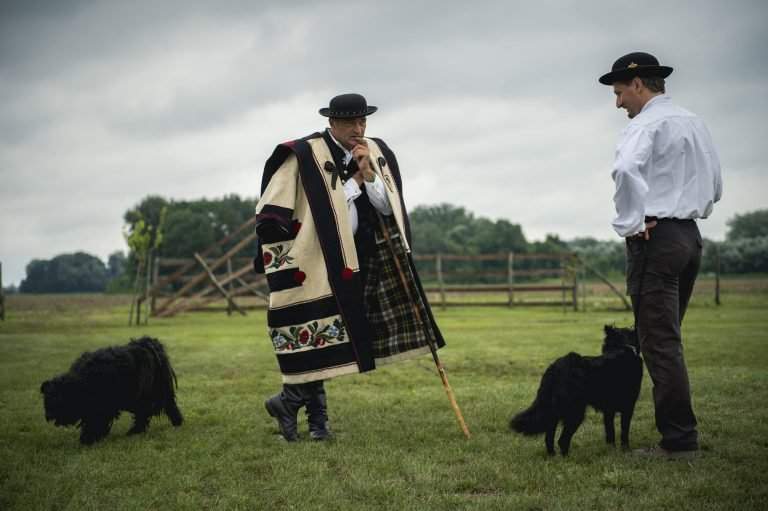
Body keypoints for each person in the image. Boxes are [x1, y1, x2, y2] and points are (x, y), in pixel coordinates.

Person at [253, 93, 444, 441]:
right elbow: (324, 210)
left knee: (327, 338)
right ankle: (305, 414)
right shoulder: (306, 156)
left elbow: (387, 208)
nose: (359, 129)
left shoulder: (373, 152)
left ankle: (306, 415)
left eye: (363, 121)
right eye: (351, 123)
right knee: (314, 336)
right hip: (313, 261)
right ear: (332, 124)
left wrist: (369, 175)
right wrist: (355, 182)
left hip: (358, 262)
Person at [599, 52, 723, 459]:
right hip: (690, 237)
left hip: (656, 239)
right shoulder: (693, 122)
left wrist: (632, 222)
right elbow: (716, 185)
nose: (618, 103)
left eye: (619, 93)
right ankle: (680, 435)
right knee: (667, 340)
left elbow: (624, 171)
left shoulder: (646, 124)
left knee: (659, 344)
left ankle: (680, 442)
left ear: (637, 84)